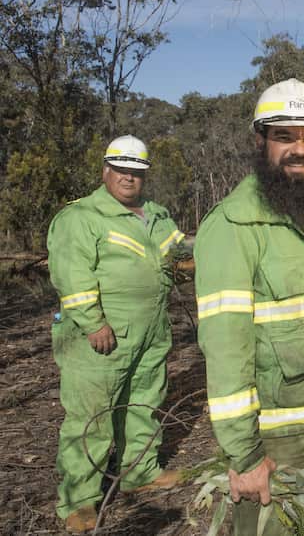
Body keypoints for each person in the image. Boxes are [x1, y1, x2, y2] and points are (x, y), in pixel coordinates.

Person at [193, 78, 304, 535]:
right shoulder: (233, 226)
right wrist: (245, 455)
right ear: (260, 141)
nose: (299, 149)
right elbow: (226, 353)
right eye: (285, 136)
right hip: (272, 443)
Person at [47, 135, 187, 532]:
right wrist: (93, 322)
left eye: (136, 171)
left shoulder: (155, 214)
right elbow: (71, 275)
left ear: (145, 175)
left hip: (151, 330)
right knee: (90, 417)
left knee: (144, 402)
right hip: (102, 335)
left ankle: (139, 471)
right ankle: (78, 502)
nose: (129, 177)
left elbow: (178, 255)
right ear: (106, 170)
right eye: (121, 169)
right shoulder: (81, 217)